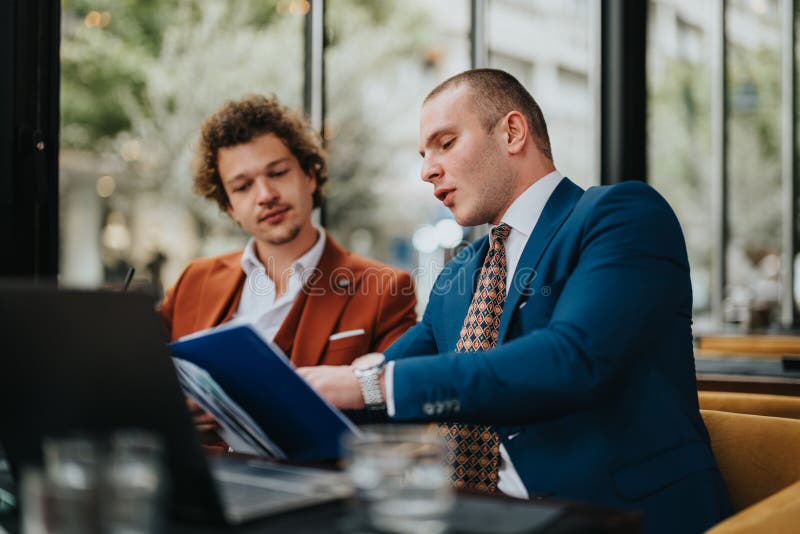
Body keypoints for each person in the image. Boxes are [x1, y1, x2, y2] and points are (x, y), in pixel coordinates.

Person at [298, 69, 731, 533]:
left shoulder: (621, 215)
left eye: (446, 143)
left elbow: (572, 360)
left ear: (512, 132)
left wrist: (373, 383)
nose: (427, 171)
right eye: (423, 156)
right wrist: (271, 398)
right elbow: (379, 387)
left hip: (622, 518)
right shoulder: (459, 275)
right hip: (481, 519)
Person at [159, 95, 417, 435]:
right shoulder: (194, 280)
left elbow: (400, 409)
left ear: (310, 176)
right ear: (230, 206)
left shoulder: (385, 289)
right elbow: (141, 378)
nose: (265, 195)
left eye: (278, 173)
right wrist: (170, 405)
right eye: (243, 186)